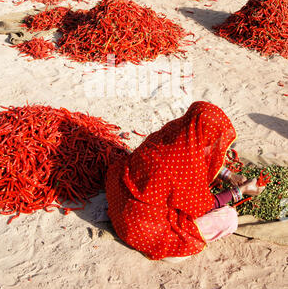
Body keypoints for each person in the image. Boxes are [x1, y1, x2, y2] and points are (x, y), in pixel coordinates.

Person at [106, 101, 266, 262]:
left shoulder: (170, 134)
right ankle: (172, 249)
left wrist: (229, 175)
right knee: (229, 218)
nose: (214, 147)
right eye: (212, 142)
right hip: (143, 230)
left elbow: (202, 156)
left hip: (119, 202)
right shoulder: (184, 168)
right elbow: (204, 206)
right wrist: (241, 191)